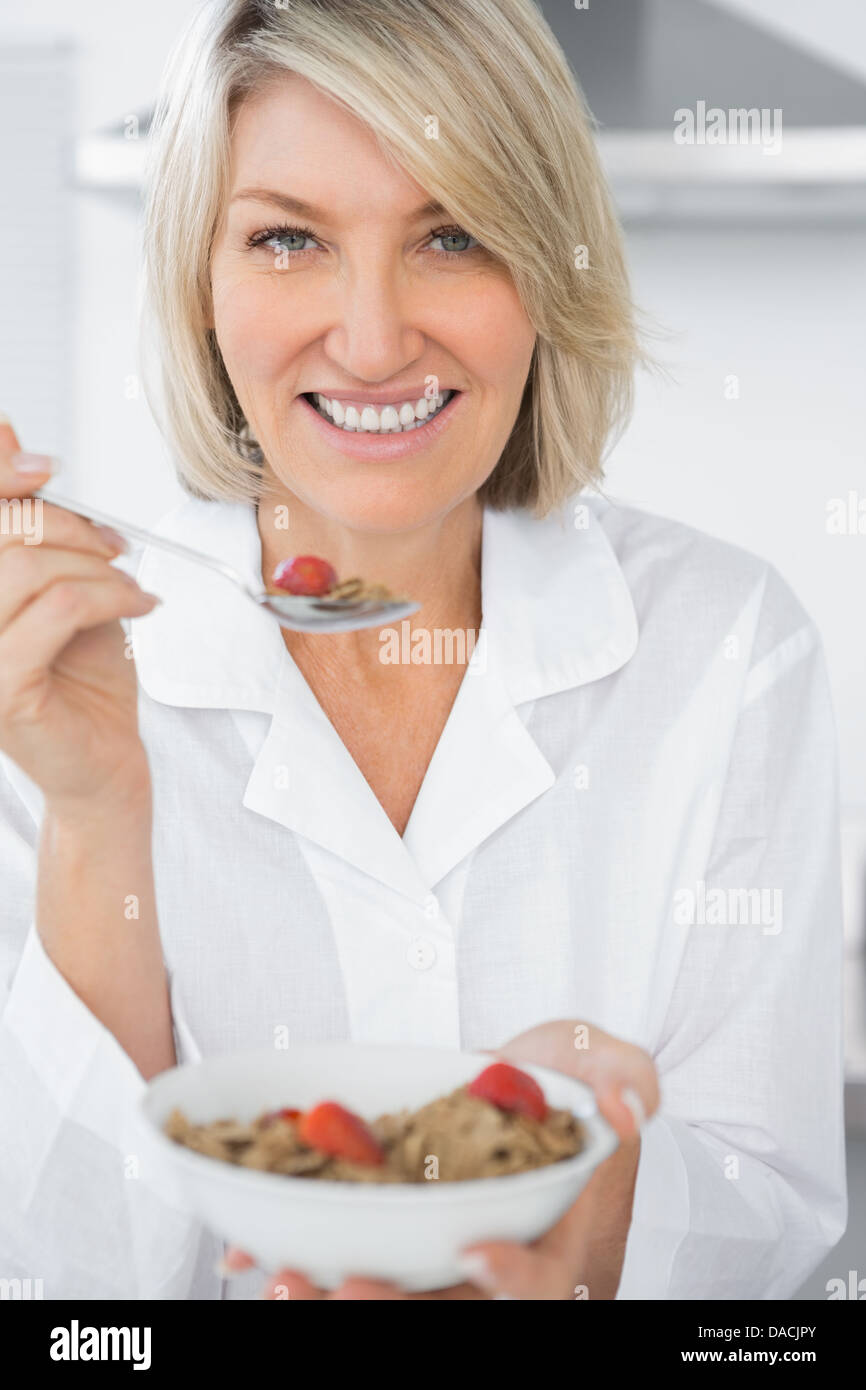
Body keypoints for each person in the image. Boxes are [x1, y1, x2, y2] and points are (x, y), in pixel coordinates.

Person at [0, 0, 845, 1300]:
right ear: (198, 287)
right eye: (288, 238)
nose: (375, 336)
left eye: (451, 233)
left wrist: (571, 1192)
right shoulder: (46, 675)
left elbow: (773, 1237)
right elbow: (69, 1302)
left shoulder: (726, 648)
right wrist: (97, 813)